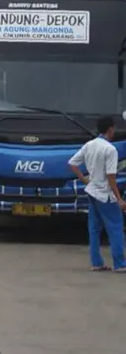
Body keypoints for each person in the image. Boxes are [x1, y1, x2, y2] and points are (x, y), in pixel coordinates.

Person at [68, 115, 126, 271]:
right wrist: (119, 199)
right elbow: (111, 176)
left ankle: (96, 263)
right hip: (105, 194)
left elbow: (72, 163)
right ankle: (120, 263)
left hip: (92, 191)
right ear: (110, 129)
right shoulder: (110, 149)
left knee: (94, 229)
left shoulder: (89, 145)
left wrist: (83, 179)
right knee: (115, 227)